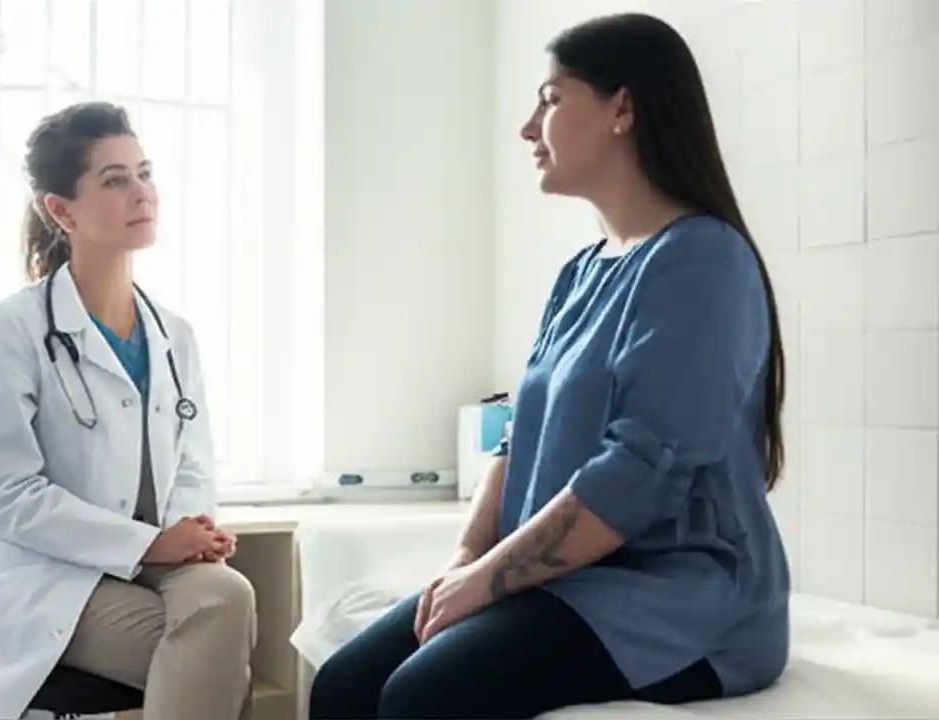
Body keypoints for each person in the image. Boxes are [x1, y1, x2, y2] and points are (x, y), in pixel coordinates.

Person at [309, 12, 790, 720]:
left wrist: (487, 585)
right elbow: (517, 440)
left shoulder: (702, 261)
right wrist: (466, 562)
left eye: (551, 98)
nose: (529, 127)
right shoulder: (580, 274)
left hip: (675, 598)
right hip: (565, 580)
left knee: (423, 697)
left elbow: (638, 473)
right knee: (343, 686)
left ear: (622, 108)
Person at [0, 102, 256, 720]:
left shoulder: (173, 334)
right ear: (61, 210)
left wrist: (189, 535)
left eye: (144, 172)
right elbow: (10, 495)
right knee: (214, 650)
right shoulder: (10, 330)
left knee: (224, 597)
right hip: (46, 577)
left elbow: (193, 465)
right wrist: (151, 543)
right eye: (114, 179)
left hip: (152, 560)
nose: (141, 192)